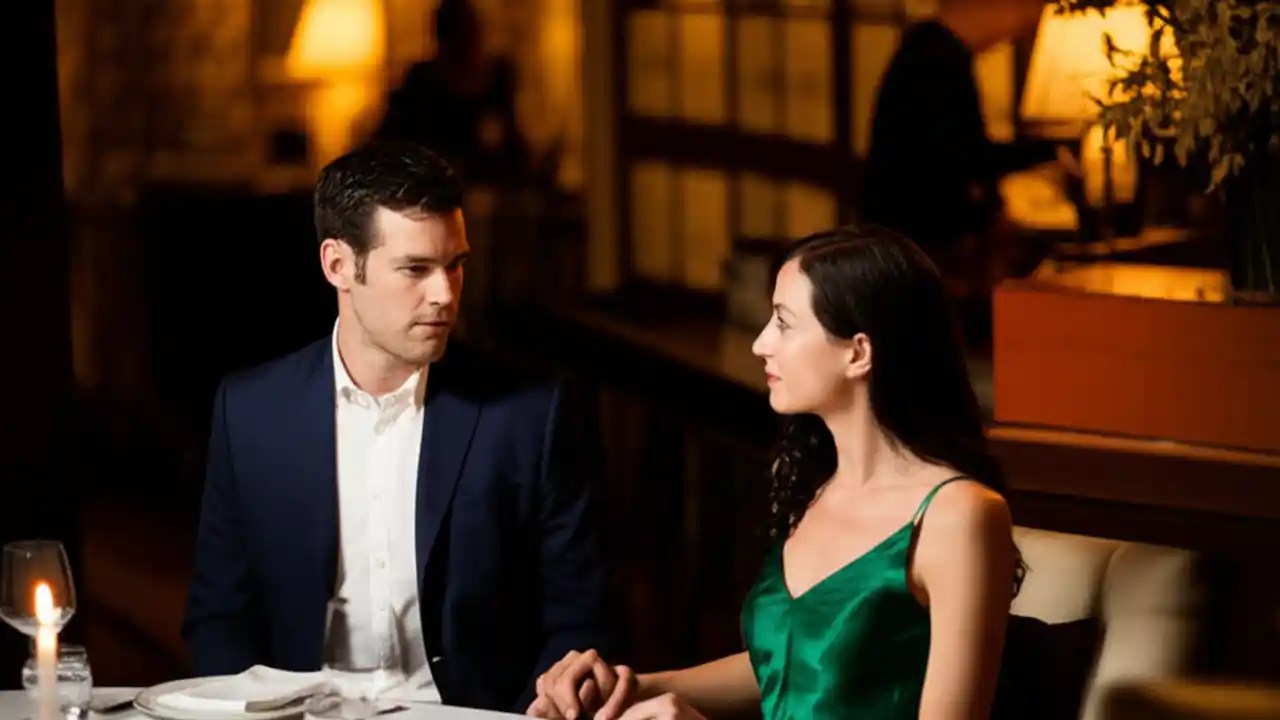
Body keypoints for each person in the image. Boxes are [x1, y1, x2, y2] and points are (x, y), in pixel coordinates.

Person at [182, 140, 611, 712]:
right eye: (415, 269)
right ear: (338, 265)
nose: (444, 295)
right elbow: (219, 621)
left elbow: (579, 616)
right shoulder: (252, 411)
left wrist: (546, 702)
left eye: (455, 265)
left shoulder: (532, 413)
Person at [527, 225, 1019, 719]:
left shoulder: (959, 516)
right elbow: (792, 666)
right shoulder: (818, 484)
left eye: (784, 323)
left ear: (858, 352)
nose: (761, 344)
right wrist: (623, 686)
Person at [862, 0, 1054, 298]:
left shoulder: (935, 52)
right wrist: (1048, 151)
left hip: (914, 237)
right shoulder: (933, 59)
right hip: (918, 242)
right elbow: (958, 160)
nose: (1019, 34)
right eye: (1028, 20)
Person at [375, 0, 530, 186]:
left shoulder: (497, 81)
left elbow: (515, 154)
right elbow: (391, 150)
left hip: (490, 197)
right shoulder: (420, 85)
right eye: (463, 36)